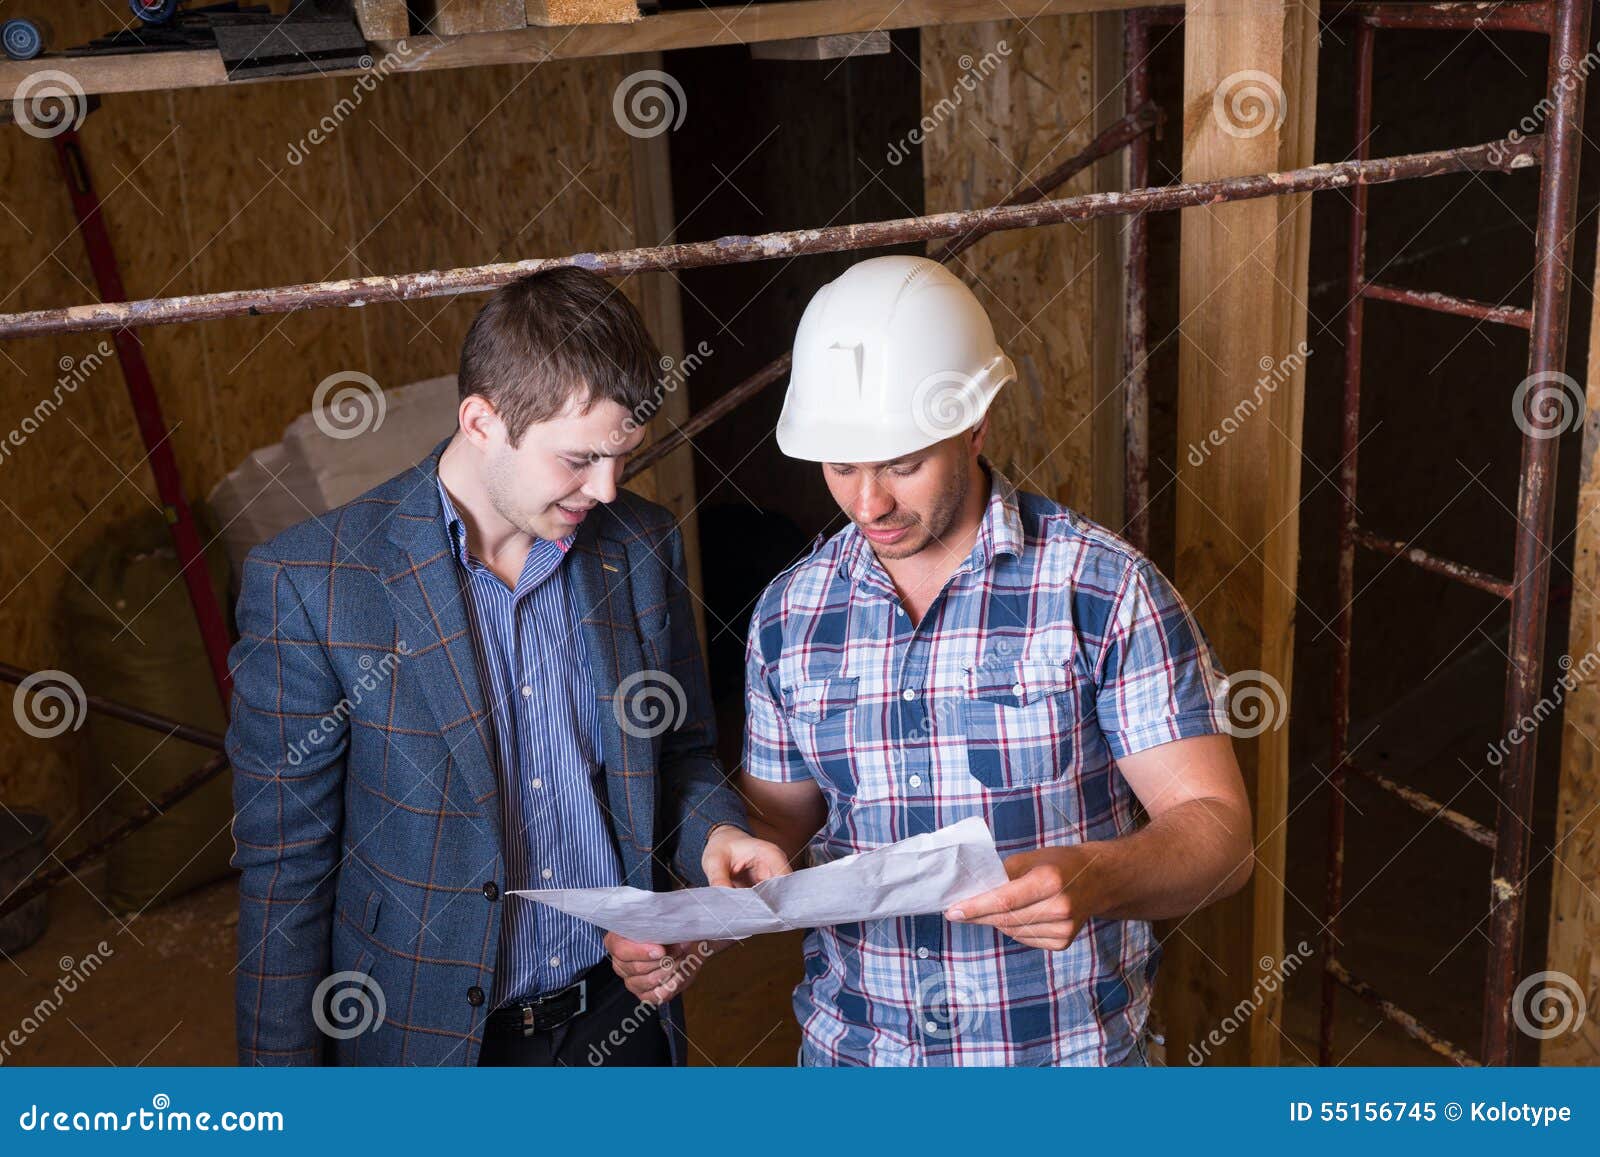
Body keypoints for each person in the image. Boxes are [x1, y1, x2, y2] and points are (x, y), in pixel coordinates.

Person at [616, 255, 1253, 1066]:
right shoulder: (791, 611)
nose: (869, 502)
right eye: (842, 466)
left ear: (976, 424)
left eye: (903, 463)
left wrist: (1096, 874)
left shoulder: (1103, 590)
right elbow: (778, 822)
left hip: (1057, 1064)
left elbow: (1220, 837)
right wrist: (701, 913)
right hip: (855, 1059)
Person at [226, 267, 787, 1067]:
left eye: (619, 456)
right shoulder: (314, 585)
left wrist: (715, 833)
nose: (606, 488)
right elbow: (286, 877)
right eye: (579, 459)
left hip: (620, 1013)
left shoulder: (639, 544)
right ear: (482, 419)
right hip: (430, 1045)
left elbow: (681, 752)